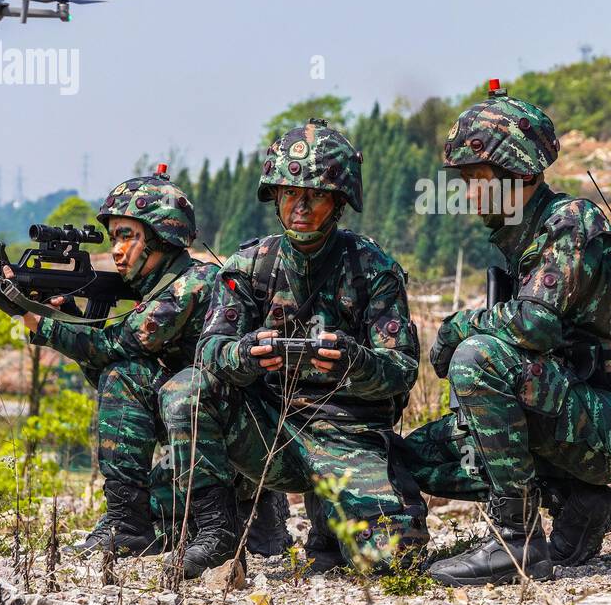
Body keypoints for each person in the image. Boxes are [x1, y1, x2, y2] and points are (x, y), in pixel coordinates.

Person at [400, 80, 611, 586]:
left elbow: (535, 324)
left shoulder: (569, 221)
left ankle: (516, 539)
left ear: (516, 172)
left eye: (477, 177)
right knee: (411, 458)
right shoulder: (521, 234)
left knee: (478, 359)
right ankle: (579, 501)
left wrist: (460, 326)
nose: (466, 191)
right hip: (573, 412)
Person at [159, 120, 427, 578]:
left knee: (390, 563)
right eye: (289, 193)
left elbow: (401, 369)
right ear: (275, 198)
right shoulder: (250, 265)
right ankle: (215, 532)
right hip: (271, 432)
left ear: (338, 202)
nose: (300, 206)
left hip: (349, 433)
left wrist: (354, 360)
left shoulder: (372, 268)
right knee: (186, 389)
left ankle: (329, 521)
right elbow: (210, 352)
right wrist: (245, 354)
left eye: (316, 195)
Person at [0, 166, 287, 562]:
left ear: (162, 237)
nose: (116, 249)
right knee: (152, 500)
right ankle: (149, 522)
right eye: (114, 237)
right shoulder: (162, 288)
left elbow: (114, 346)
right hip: (207, 445)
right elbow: (110, 370)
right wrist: (67, 313)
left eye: (128, 235)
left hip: (245, 444)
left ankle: (161, 525)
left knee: (124, 376)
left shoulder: (191, 286)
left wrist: (31, 316)